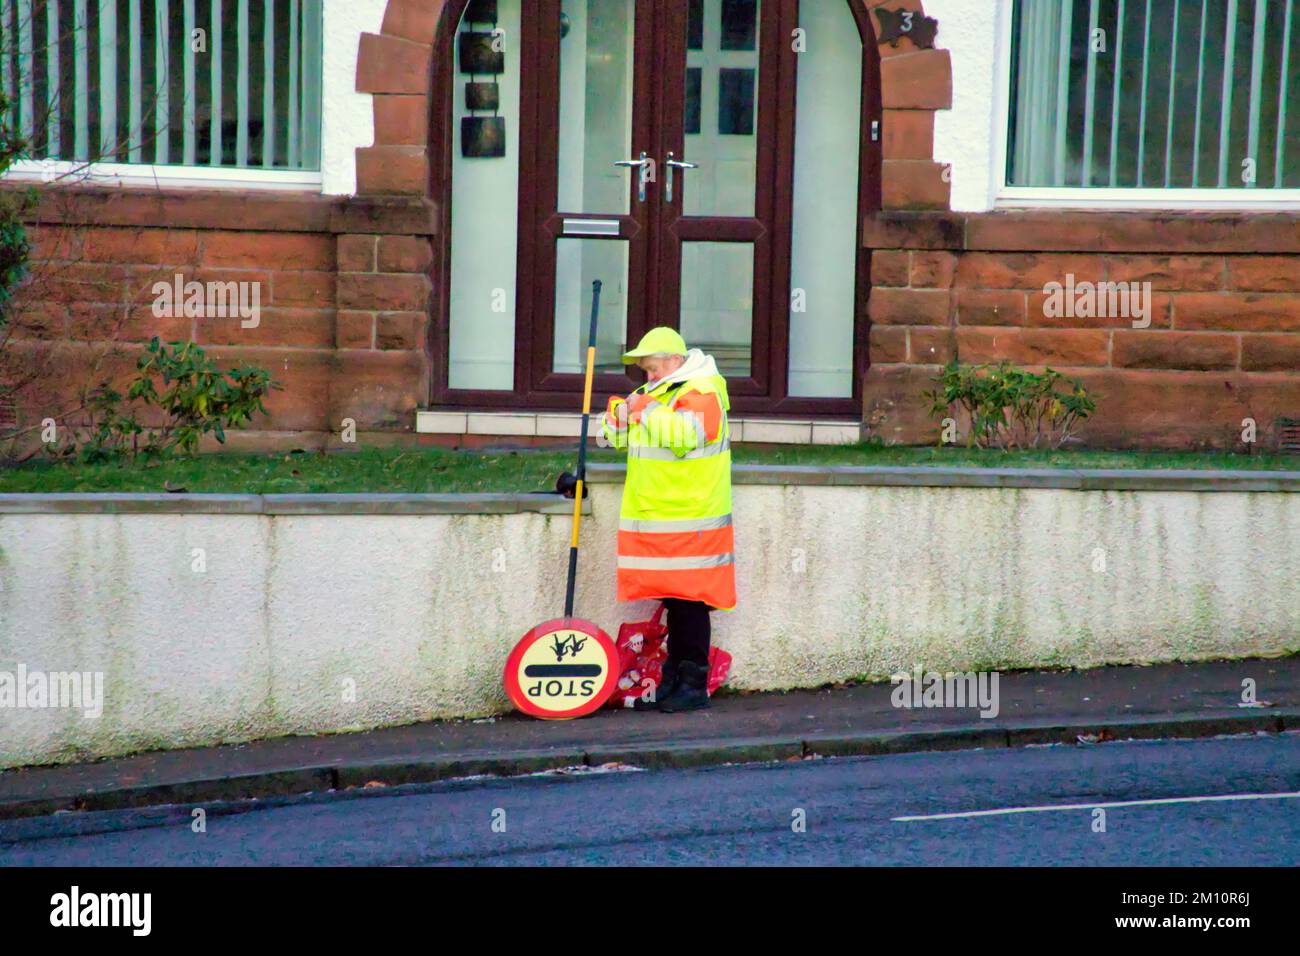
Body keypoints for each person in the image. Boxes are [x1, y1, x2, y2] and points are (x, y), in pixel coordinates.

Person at [600, 327, 735, 713]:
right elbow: (611, 441)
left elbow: (685, 436)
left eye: (654, 369)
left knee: (691, 603)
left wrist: (643, 411)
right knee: (677, 602)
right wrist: (617, 419)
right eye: (645, 372)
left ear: (676, 362)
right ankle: (674, 679)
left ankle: (693, 685)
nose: (649, 378)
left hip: (694, 520)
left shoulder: (703, 391)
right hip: (667, 520)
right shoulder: (658, 395)